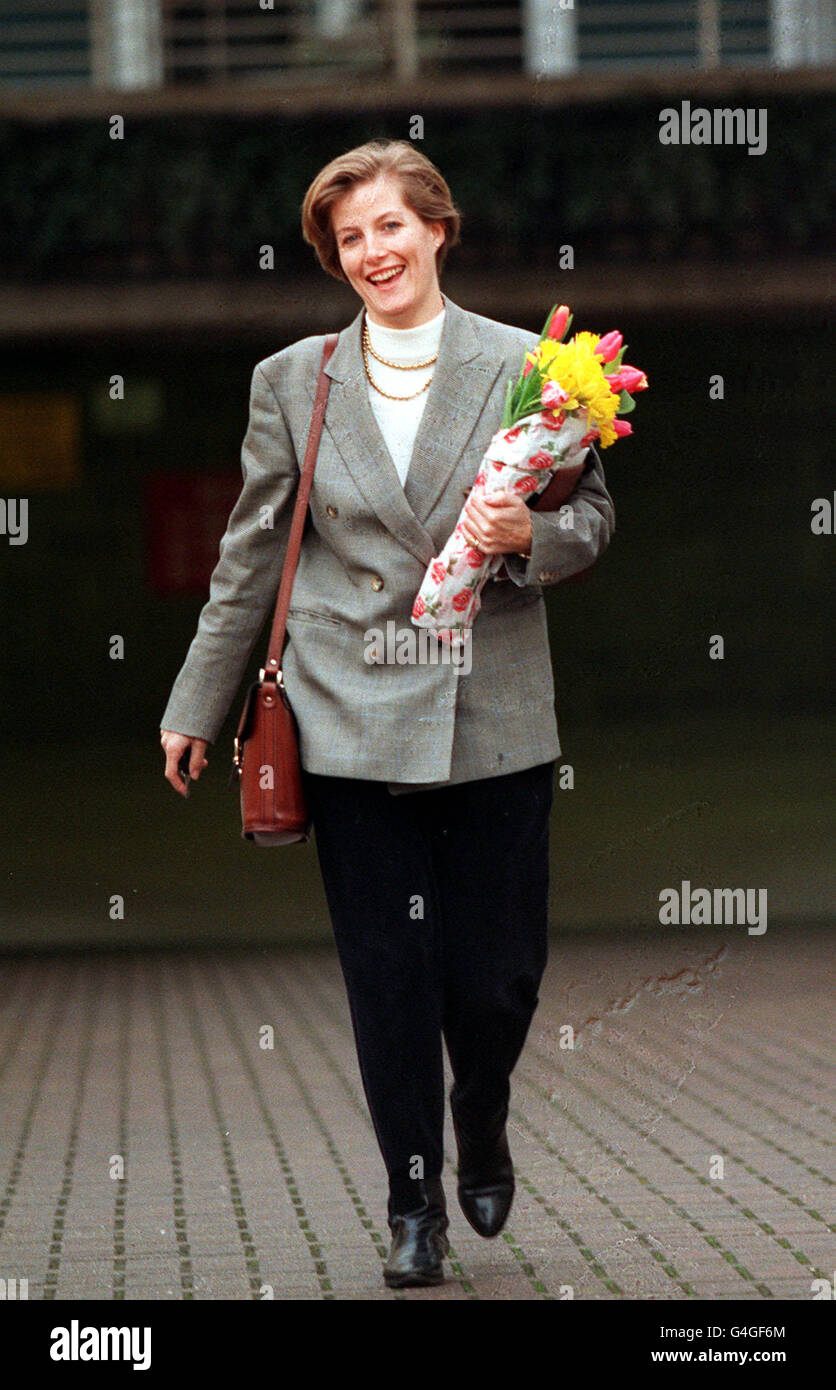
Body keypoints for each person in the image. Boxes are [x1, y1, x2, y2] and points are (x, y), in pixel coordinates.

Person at [160, 138, 615, 1289]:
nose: (372, 252)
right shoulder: (292, 380)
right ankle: (413, 1199)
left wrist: (534, 541)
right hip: (345, 713)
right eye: (349, 238)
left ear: (437, 230)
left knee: (496, 975)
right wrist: (196, 704)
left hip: (494, 714)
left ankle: (487, 1105)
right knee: (387, 974)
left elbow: (592, 517)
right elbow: (250, 555)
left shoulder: (530, 364)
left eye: (389, 228)